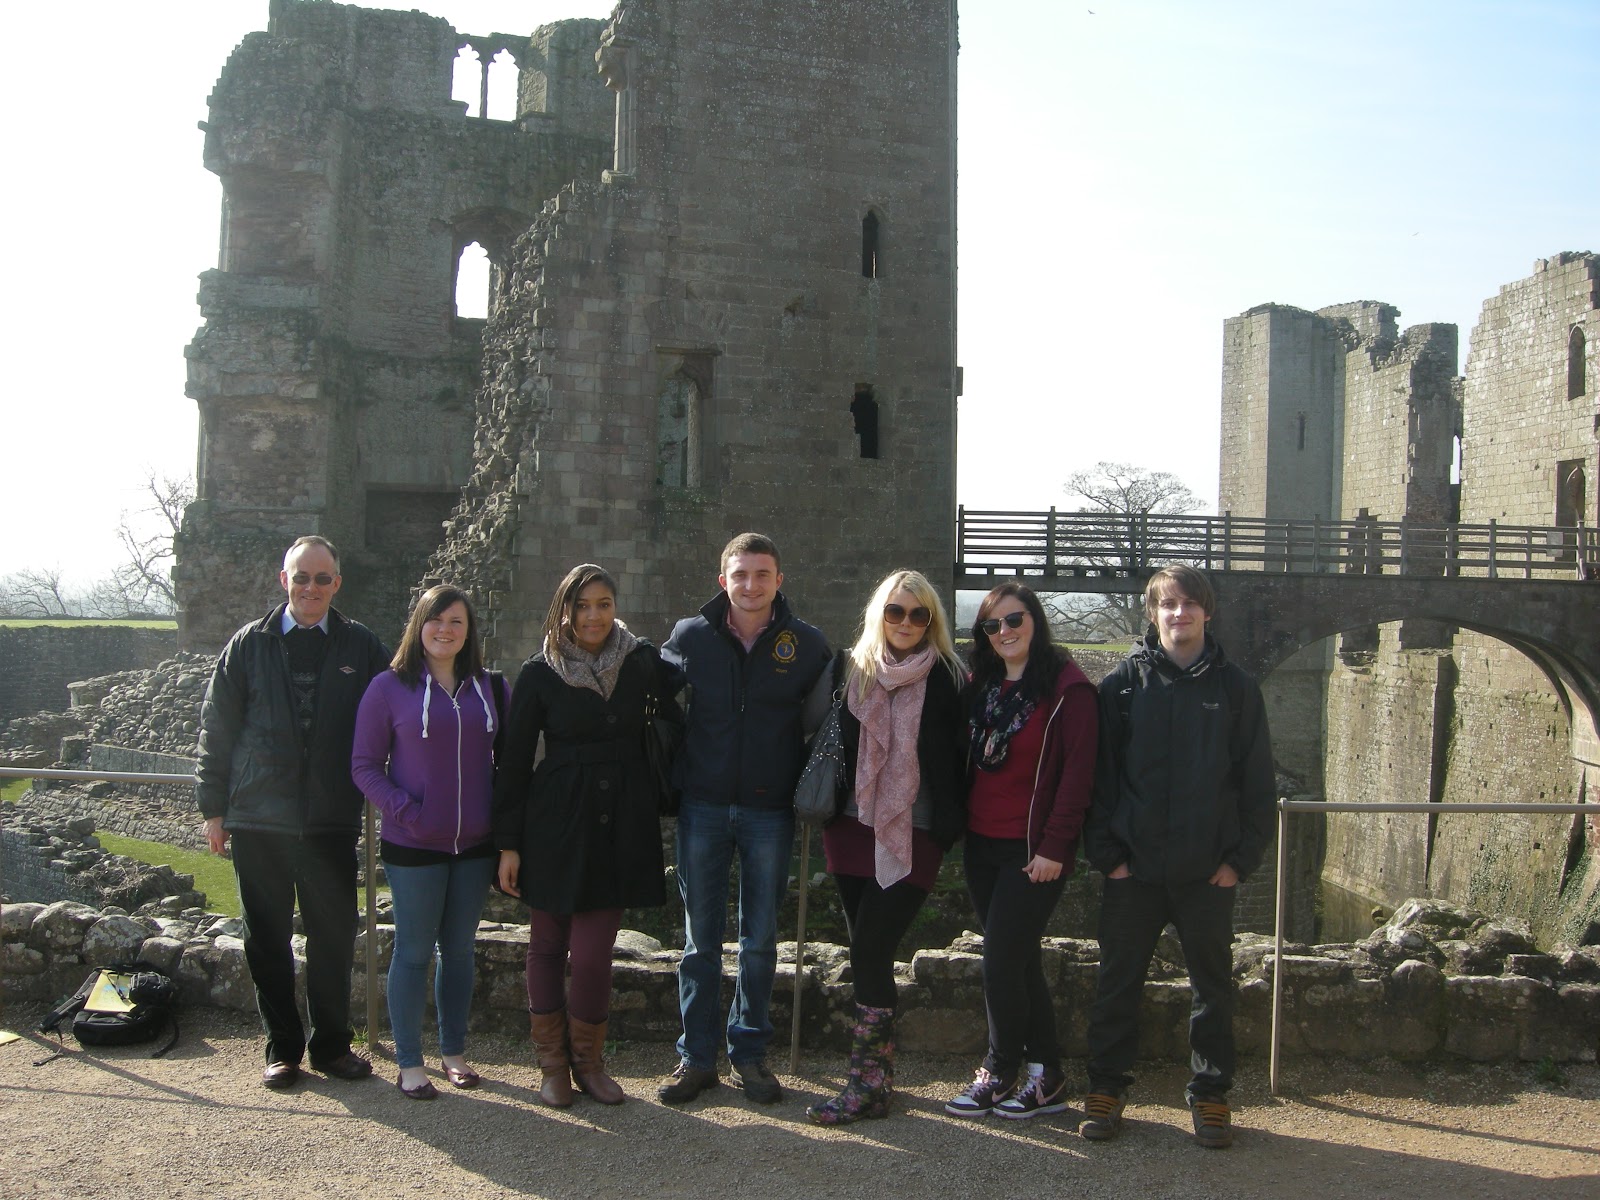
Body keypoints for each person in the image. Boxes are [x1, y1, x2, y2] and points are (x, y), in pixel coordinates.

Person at [1080, 565, 1275, 1149]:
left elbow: (1257, 785)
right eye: (1168, 604)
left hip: (1205, 872)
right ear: (1152, 612)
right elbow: (1100, 781)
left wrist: (1238, 862)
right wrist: (1109, 856)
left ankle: (1211, 1096)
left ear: (1207, 612)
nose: (1179, 613)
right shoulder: (1119, 687)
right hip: (1133, 871)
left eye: (1190, 604)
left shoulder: (1236, 690)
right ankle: (1107, 1089)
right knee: (1116, 983)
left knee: (1212, 987)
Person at [195, 535, 389, 1090]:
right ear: (284, 580)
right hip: (259, 819)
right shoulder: (246, 645)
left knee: (334, 936)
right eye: (301, 577)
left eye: (322, 579)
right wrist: (214, 808)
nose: (311, 588)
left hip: (329, 820)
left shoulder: (361, 647)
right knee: (267, 938)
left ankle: (331, 1047)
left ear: (337, 585)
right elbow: (219, 729)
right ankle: (282, 1048)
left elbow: (391, 714)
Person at [656, 533, 832, 1105]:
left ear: (779, 580)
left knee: (759, 941)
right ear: (722, 580)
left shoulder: (807, 645)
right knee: (698, 943)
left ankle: (750, 1054)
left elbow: (829, 720)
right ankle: (696, 1057)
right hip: (702, 806)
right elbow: (650, 695)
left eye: (762, 575)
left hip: (769, 810)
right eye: (740, 575)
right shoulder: (690, 637)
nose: (751, 585)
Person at [494, 564, 678, 1107]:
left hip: (620, 820)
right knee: (548, 946)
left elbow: (678, 714)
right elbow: (513, 761)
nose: (594, 615)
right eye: (583, 605)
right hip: (555, 821)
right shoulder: (539, 672)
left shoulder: (642, 661)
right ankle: (553, 1066)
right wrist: (509, 842)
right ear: (565, 609)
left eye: (603, 603)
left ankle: (590, 1062)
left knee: (595, 954)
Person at [806, 570, 967, 1125]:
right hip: (851, 824)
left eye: (918, 614)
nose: (905, 623)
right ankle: (874, 1078)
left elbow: (965, 754)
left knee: (872, 948)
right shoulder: (849, 669)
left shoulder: (948, 676)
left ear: (932, 622)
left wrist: (951, 825)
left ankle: (867, 1084)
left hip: (915, 831)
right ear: (880, 613)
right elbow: (811, 729)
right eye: (895, 611)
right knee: (864, 948)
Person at [944, 581, 1097, 1120]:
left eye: (1014, 620)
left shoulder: (1067, 689)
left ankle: (999, 1067)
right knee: (1019, 959)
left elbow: (1078, 777)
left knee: (1000, 960)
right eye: (993, 625)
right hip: (982, 843)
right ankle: (1048, 1074)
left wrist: (1056, 845)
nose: (1004, 632)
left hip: (1033, 850)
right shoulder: (980, 684)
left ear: (1035, 621)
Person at [351, 584, 506, 1100]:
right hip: (414, 843)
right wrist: (406, 811)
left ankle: (454, 1051)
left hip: (474, 846)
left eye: (457, 622)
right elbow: (365, 766)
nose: (445, 630)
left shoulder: (491, 687)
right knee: (414, 952)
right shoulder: (388, 688)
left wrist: (499, 824)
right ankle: (409, 1060)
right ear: (419, 625)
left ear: (469, 632)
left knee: (460, 951)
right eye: (436, 620)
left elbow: (508, 762)